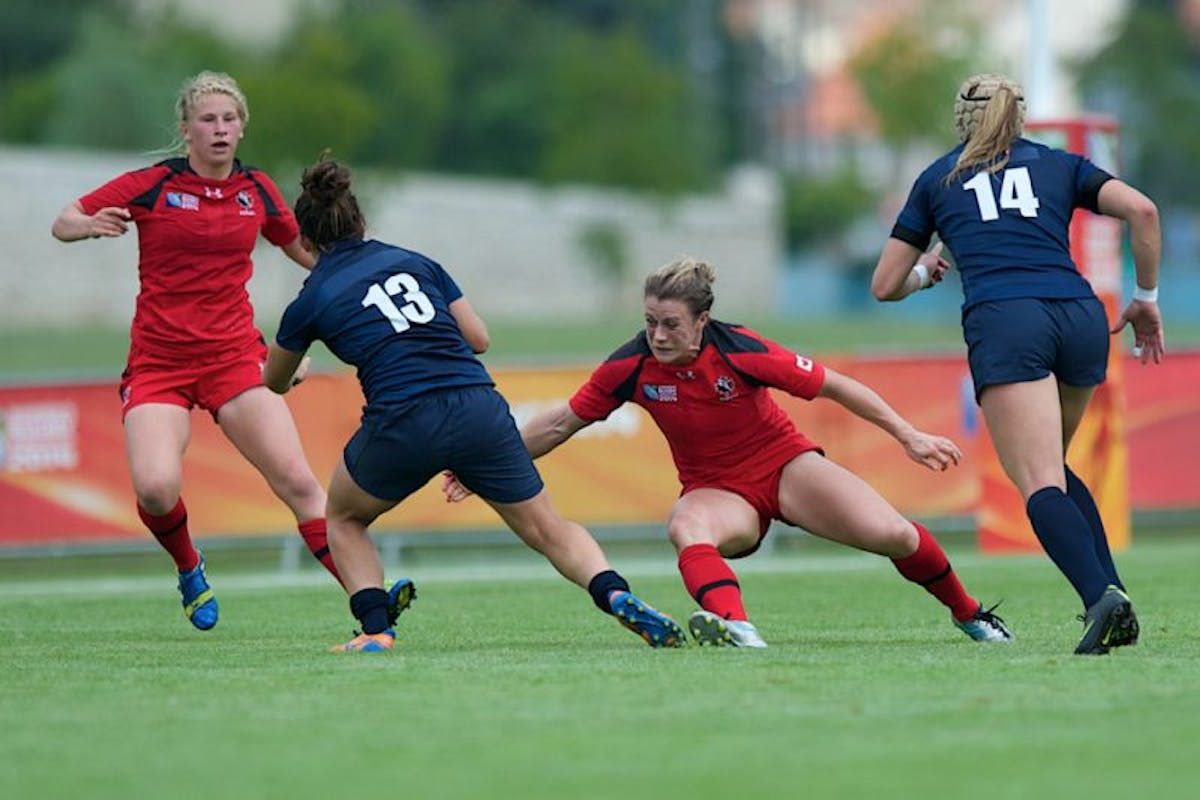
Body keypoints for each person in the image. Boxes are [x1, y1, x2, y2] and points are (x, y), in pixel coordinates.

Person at [445, 258, 1013, 649]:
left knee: (895, 535)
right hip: (717, 489)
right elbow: (563, 421)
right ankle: (739, 629)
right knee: (686, 525)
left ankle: (970, 615)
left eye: (670, 324)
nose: (657, 335)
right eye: (649, 322)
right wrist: (487, 466)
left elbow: (836, 384)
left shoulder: (742, 350)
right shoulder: (630, 365)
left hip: (787, 467)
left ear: (701, 321)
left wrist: (908, 434)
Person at [263, 158, 685, 653]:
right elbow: (479, 339)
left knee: (343, 517)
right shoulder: (417, 262)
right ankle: (615, 594)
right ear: (361, 223)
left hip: (403, 415)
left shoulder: (311, 299)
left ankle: (376, 627)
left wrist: (300, 372)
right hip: (475, 405)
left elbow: (273, 382)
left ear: (306, 243)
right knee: (549, 528)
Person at [870, 73, 1163, 655]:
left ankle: (1100, 600)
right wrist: (1147, 299)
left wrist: (926, 274)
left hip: (1007, 320)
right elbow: (1144, 211)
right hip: (1079, 315)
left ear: (960, 119)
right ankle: (1113, 594)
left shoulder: (938, 178)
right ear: (1020, 117)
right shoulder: (1060, 164)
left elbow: (884, 285)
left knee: (1037, 482)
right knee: (1052, 463)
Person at [50, 71, 344, 631]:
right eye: (207, 119)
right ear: (186, 129)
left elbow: (298, 247)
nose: (219, 129)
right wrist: (88, 225)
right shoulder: (154, 183)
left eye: (229, 119)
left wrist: (352, 268)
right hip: (160, 364)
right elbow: (63, 221)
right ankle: (189, 565)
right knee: (157, 489)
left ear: (241, 129)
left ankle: (368, 602)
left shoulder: (257, 189)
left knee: (301, 483)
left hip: (234, 360)